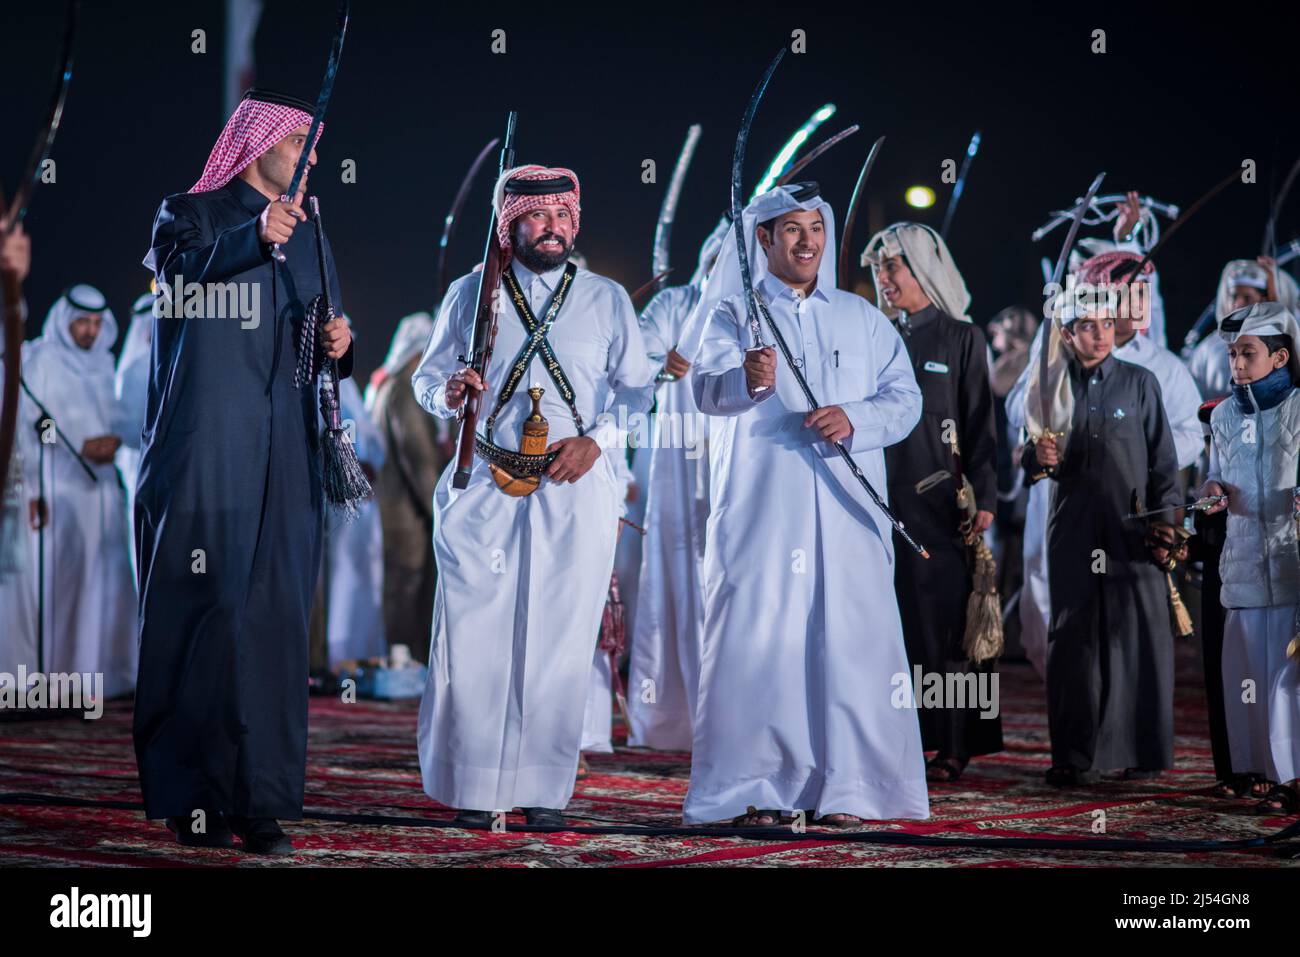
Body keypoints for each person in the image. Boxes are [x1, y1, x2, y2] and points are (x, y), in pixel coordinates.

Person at [133, 88, 353, 854]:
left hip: (288, 451)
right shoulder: (188, 213)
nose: (314, 158)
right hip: (206, 450)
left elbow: (325, 327)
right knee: (211, 612)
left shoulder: (313, 229)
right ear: (259, 143)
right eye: (304, 143)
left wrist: (341, 342)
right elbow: (178, 288)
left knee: (274, 620)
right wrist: (254, 237)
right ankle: (197, 797)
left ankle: (262, 799)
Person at [412, 165, 655, 827]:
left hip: (572, 484)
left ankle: (543, 788)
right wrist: (448, 392)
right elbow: (427, 378)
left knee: (558, 639)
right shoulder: (472, 292)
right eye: (536, 217)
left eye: (561, 217)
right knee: (474, 635)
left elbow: (638, 391)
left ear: (574, 224)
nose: (551, 228)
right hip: (485, 484)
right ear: (508, 224)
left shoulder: (606, 299)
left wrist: (597, 441)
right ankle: (473, 786)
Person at [683, 183, 929, 827]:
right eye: (790, 229)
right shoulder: (732, 313)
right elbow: (704, 393)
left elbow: (904, 400)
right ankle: (753, 789)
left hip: (849, 514)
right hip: (764, 512)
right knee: (760, 642)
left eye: (814, 228)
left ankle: (858, 788)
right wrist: (749, 380)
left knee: (853, 642)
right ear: (763, 240)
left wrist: (854, 418)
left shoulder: (861, 316)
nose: (807, 241)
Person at [1024, 252, 1182, 786]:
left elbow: (1164, 460)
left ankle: (1141, 750)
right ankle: (1072, 754)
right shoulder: (1049, 386)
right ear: (1067, 334)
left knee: (1136, 635)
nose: (1100, 335)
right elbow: (1026, 452)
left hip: (1133, 530)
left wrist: (1168, 524)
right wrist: (1034, 458)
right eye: (1087, 327)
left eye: (1107, 325)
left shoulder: (1141, 383)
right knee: (1071, 639)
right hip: (1071, 528)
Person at [863, 222, 1002, 782]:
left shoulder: (961, 337)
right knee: (891, 624)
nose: (883, 276)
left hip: (944, 506)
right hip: (877, 504)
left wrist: (984, 498)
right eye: (878, 266)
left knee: (946, 627)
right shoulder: (873, 334)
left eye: (893, 264)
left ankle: (952, 745)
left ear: (923, 268)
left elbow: (980, 427)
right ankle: (899, 741)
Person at [626, 217, 730, 751]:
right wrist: (661, 364)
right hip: (675, 456)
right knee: (676, 567)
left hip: (735, 459)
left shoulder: (750, 310)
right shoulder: (675, 305)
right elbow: (632, 358)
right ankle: (675, 716)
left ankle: (731, 717)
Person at [10, 286, 138, 698]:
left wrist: (114, 441)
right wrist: (69, 445)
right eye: (83, 322)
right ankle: (58, 679)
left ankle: (102, 678)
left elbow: (119, 420)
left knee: (106, 585)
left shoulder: (103, 364)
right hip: (58, 488)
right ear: (65, 320)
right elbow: (28, 425)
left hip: (102, 492)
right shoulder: (42, 360)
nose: (90, 330)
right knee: (64, 586)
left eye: (98, 323)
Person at [1199, 301, 1300, 815]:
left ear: (1280, 357)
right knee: (1247, 677)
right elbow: (1214, 473)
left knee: (1288, 676)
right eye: (1233, 354)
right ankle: (1256, 771)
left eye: (1248, 354)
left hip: (1290, 560)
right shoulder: (1220, 415)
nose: (1237, 365)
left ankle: (1293, 775)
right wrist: (1212, 489)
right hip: (1240, 560)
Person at [367, 312, 449, 662]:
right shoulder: (405, 390)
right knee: (406, 584)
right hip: (404, 510)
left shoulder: (391, 385)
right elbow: (419, 460)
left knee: (403, 584)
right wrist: (441, 510)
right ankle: (404, 662)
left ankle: (403, 660)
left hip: (399, 507)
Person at [1186, 257, 1299, 400]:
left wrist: (1274, 282)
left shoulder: (1282, 339)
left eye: (1247, 297)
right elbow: (1191, 397)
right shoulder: (1209, 348)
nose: (1238, 303)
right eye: (1234, 296)